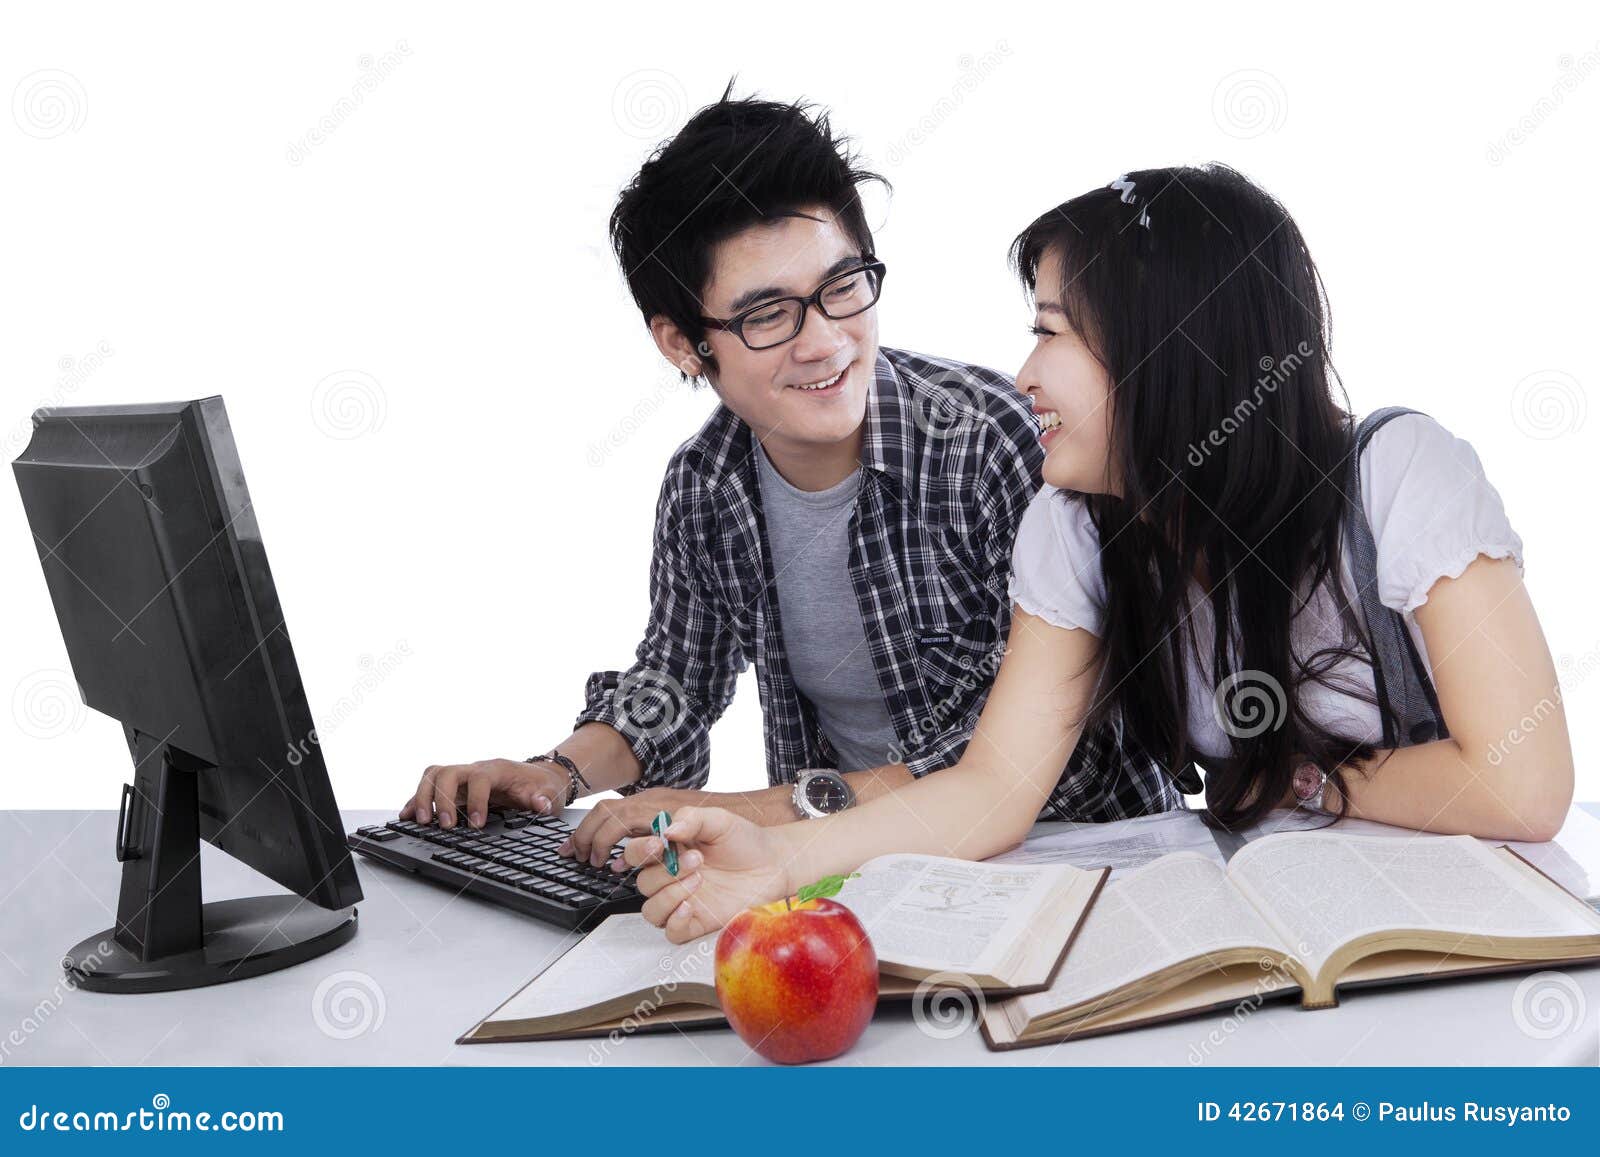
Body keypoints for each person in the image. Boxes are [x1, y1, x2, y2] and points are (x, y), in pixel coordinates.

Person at [619, 164, 1576, 942]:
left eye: (1050, 334)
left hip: (1464, 933)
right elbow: (993, 788)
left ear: (1169, 351)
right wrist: (777, 858)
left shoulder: (1399, 479)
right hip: (1269, 919)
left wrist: (1312, 781)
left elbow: (1523, 784)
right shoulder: (1077, 524)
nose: (1024, 375)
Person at [399, 92, 1184, 858]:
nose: (824, 342)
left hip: (1082, 858)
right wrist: (552, 775)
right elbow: (675, 684)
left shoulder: (991, 442)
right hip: (846, 872)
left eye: (842, 288)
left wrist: (760, 811)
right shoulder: (708, 485)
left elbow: (1030, 761)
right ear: (681, 343)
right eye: (768, 315)